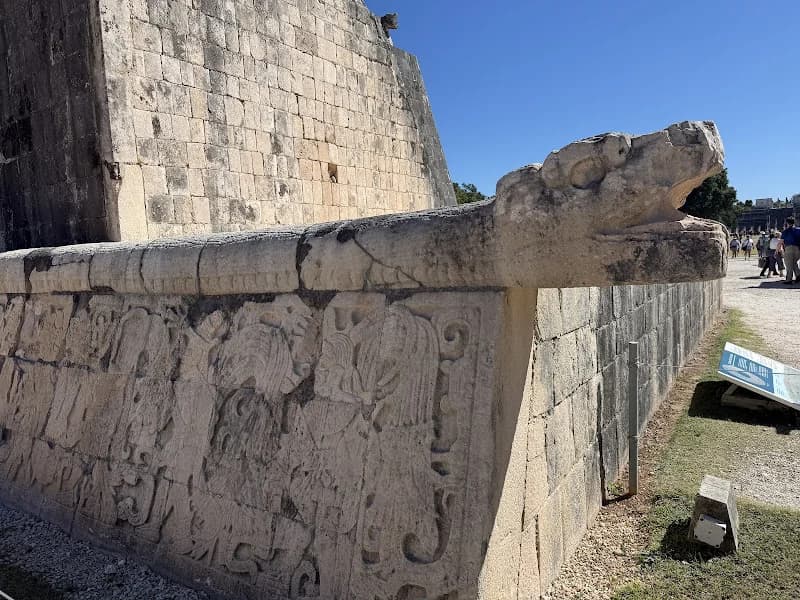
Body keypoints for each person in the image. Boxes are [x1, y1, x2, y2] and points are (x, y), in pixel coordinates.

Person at [779, 217, 800, 284]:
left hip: (789, 248)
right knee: (794, 263)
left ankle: (789, 279)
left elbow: (780, 242)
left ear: (787, 223)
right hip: (798, 249)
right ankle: (798, 275)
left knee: (789, 264)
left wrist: (777, 250)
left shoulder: (785, 231)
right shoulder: (798, 230)